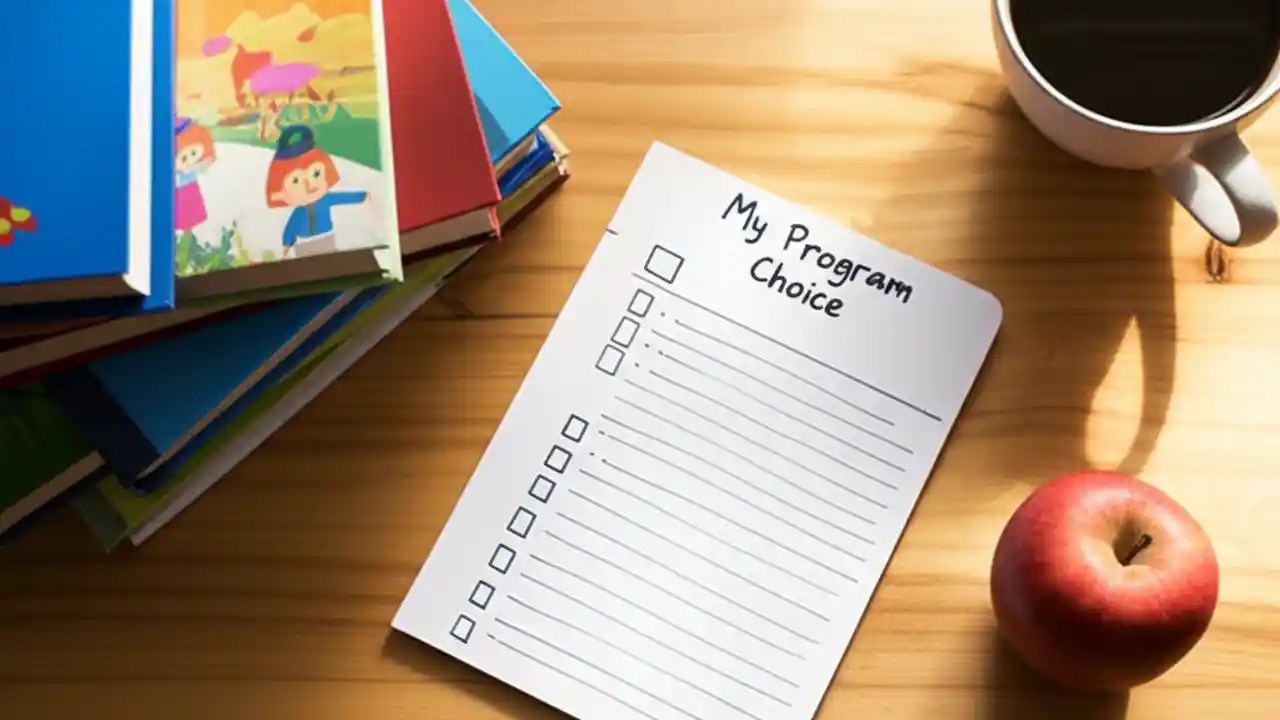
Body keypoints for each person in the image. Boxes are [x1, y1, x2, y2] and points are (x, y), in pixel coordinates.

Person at [265, 125, 367, 257]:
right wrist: (286, 243)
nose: (308, 185)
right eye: (296, 181)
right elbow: (291, 227)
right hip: (304, 243)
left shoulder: (325, 199)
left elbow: (342, 197)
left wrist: (362, 196)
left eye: (316, 174)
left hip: (326, 238)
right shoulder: (300, 211)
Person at [175, 117, 216, 235]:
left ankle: (189, 235)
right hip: (179, 192)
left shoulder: (193, 168)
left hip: (190, 189)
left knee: (191, 213)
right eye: (183, 158)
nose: (188, 162)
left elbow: (205, 165)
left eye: (193, 154)